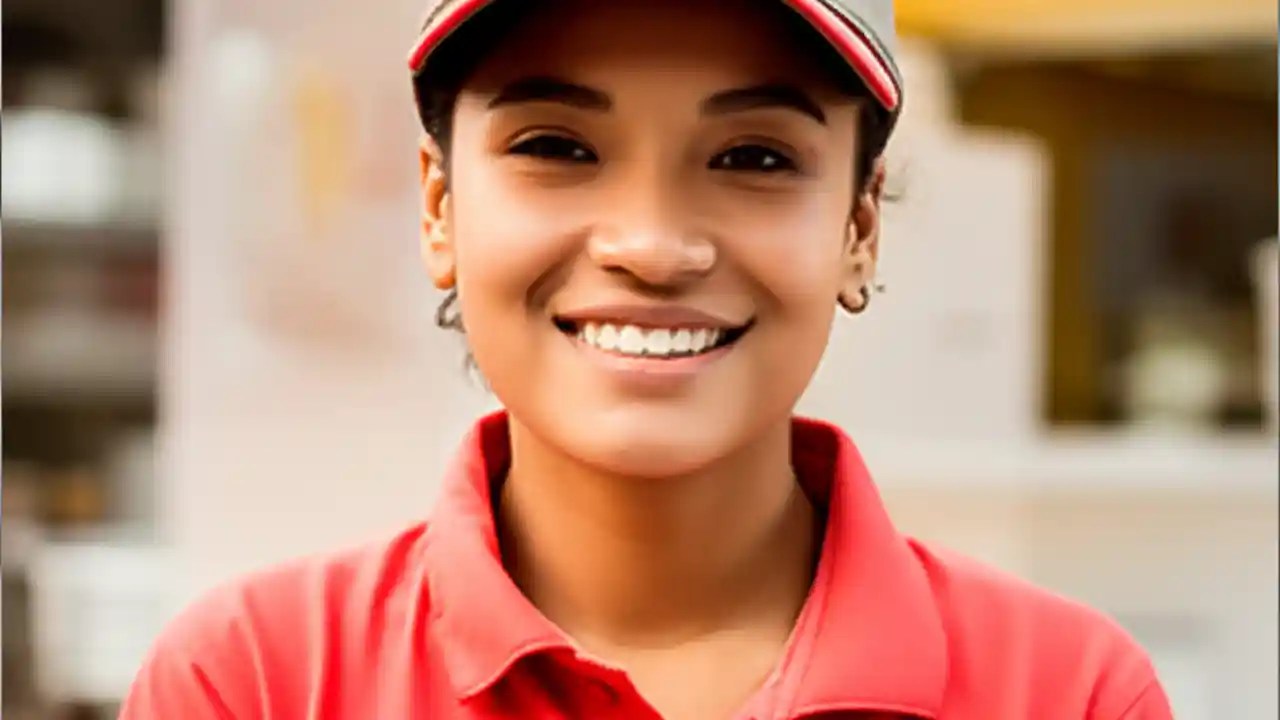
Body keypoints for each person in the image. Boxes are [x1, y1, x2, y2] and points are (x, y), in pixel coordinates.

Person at [121, 0, 1175, 718]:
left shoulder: (1067, 691)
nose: (653, 244)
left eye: (753, 157)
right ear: (439, 206)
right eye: (556, 148)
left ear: (859, 225)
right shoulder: (252, 681)